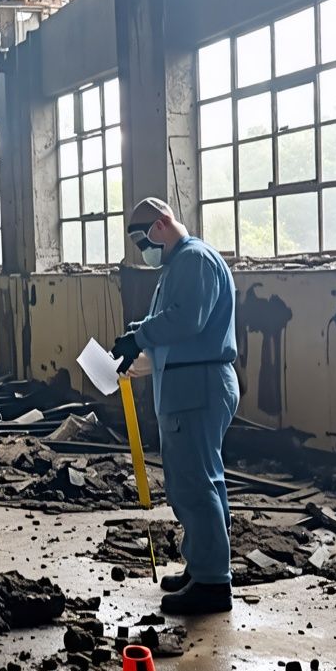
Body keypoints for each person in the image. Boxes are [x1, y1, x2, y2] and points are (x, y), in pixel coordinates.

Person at [111, 198, 239, 615]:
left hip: (197, 387)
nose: (144, 251)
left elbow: (186, 321)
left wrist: (138, 336)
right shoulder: (180, 265)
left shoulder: (194, 260)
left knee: (195, 483)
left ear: (163, 223)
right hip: (190, 384)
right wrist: (137, 344)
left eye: (144, 240)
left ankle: (213, 583)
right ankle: (202, 566)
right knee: (198, 481)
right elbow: (173, 329)